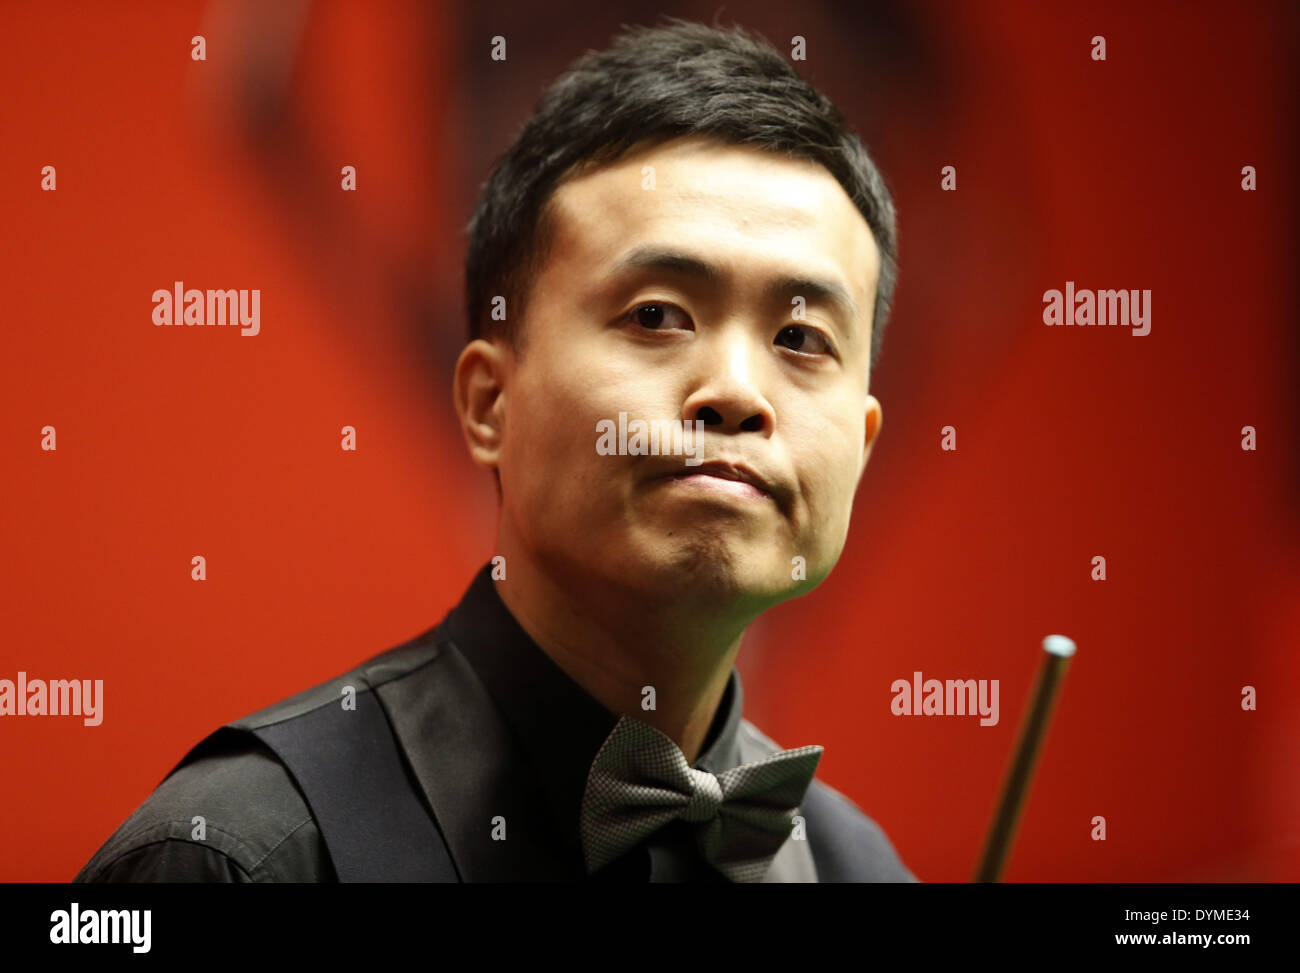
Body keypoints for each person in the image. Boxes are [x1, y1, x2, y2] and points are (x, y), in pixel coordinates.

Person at [75, 17, 913, 883]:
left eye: (802, 336)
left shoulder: (865, 871)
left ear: (862, 439)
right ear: (487, 402)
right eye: (657, 315)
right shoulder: (233, 857)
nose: (737, 392)